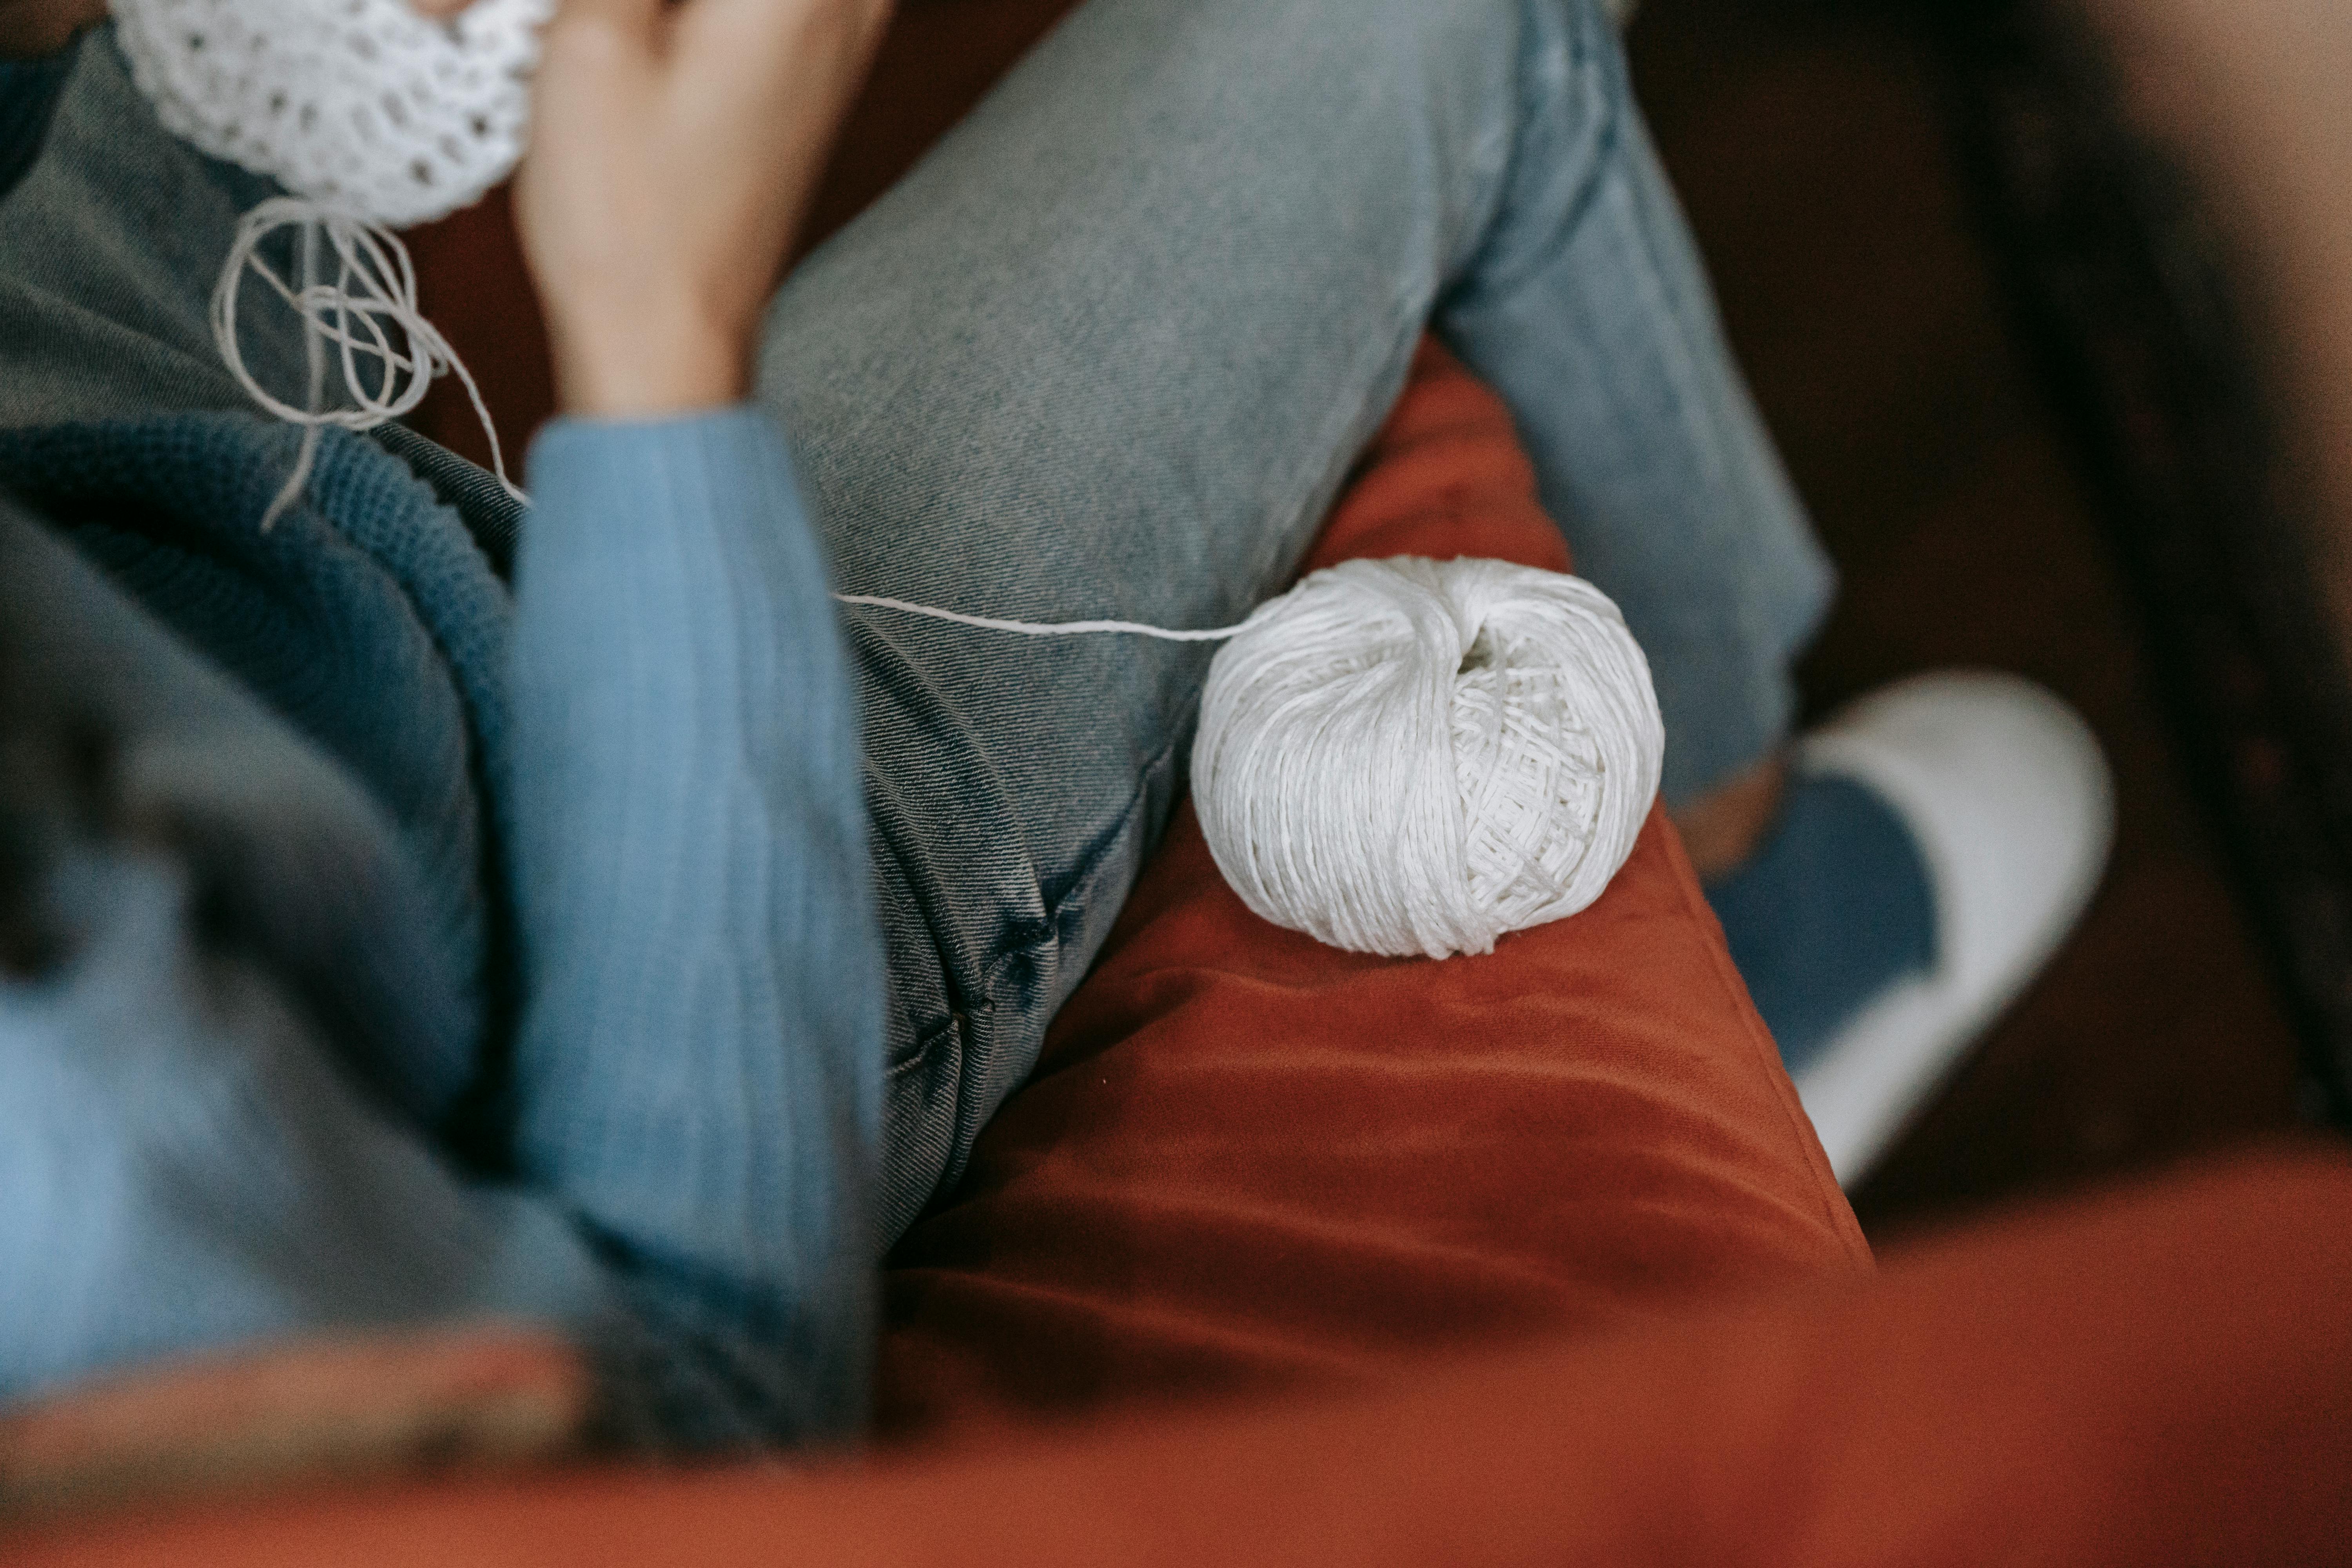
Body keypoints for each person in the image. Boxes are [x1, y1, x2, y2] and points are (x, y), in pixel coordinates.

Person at [0, 0, 2107, 1447]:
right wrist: (660, 335)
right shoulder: (77, 1173)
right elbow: (699, 1415)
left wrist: (140, 82)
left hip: (202, 539)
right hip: (616, 952)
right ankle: (1754, 895)